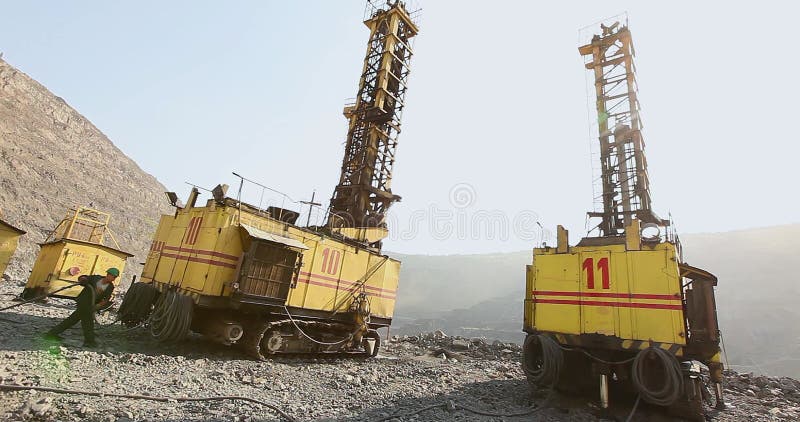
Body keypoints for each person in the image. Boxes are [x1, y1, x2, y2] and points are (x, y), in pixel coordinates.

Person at [43, 267, 120, 347]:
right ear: (108, 274)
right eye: (113, 277)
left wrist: (97, 306)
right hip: (83, 302)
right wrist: (83, 279)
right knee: (87, 323)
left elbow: (106, 299)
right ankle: (89, 342)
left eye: (115, 277)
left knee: (72, 320)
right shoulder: (96, 278)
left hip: (91, 305)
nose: (114, 279)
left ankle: (51, 334)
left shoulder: (110, 287)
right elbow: (83, 277)